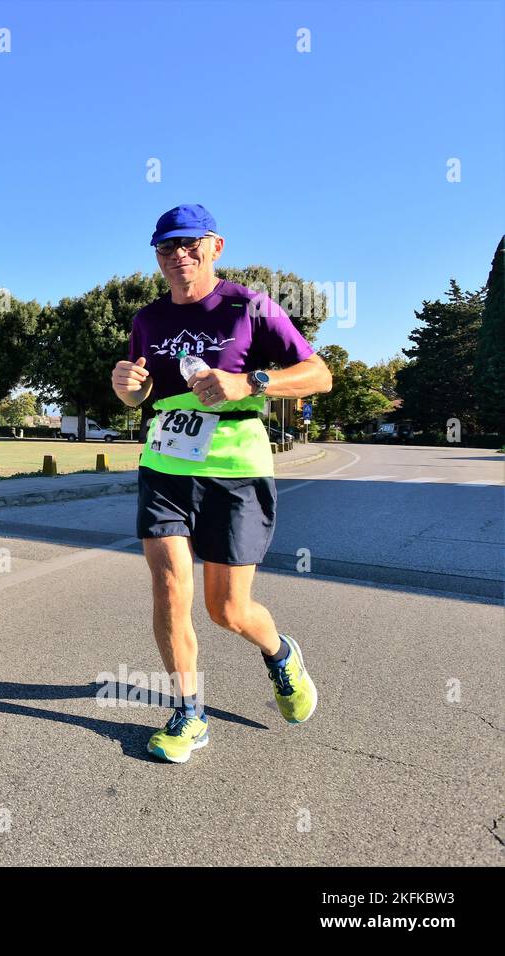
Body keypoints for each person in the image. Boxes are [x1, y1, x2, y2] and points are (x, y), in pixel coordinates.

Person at [111, 204, 333, 763]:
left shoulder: (249, 306)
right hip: (165, 465)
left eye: (189, 245)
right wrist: (127, 388)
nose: (178, 257)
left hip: (236, 469)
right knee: (168, 589)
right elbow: (143, 393)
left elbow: (319, 374)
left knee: (227, 610)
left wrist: (248, 382)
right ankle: (190, 713)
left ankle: (281, 654)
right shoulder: (148, 320)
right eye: (166, 248)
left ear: (215, 247)